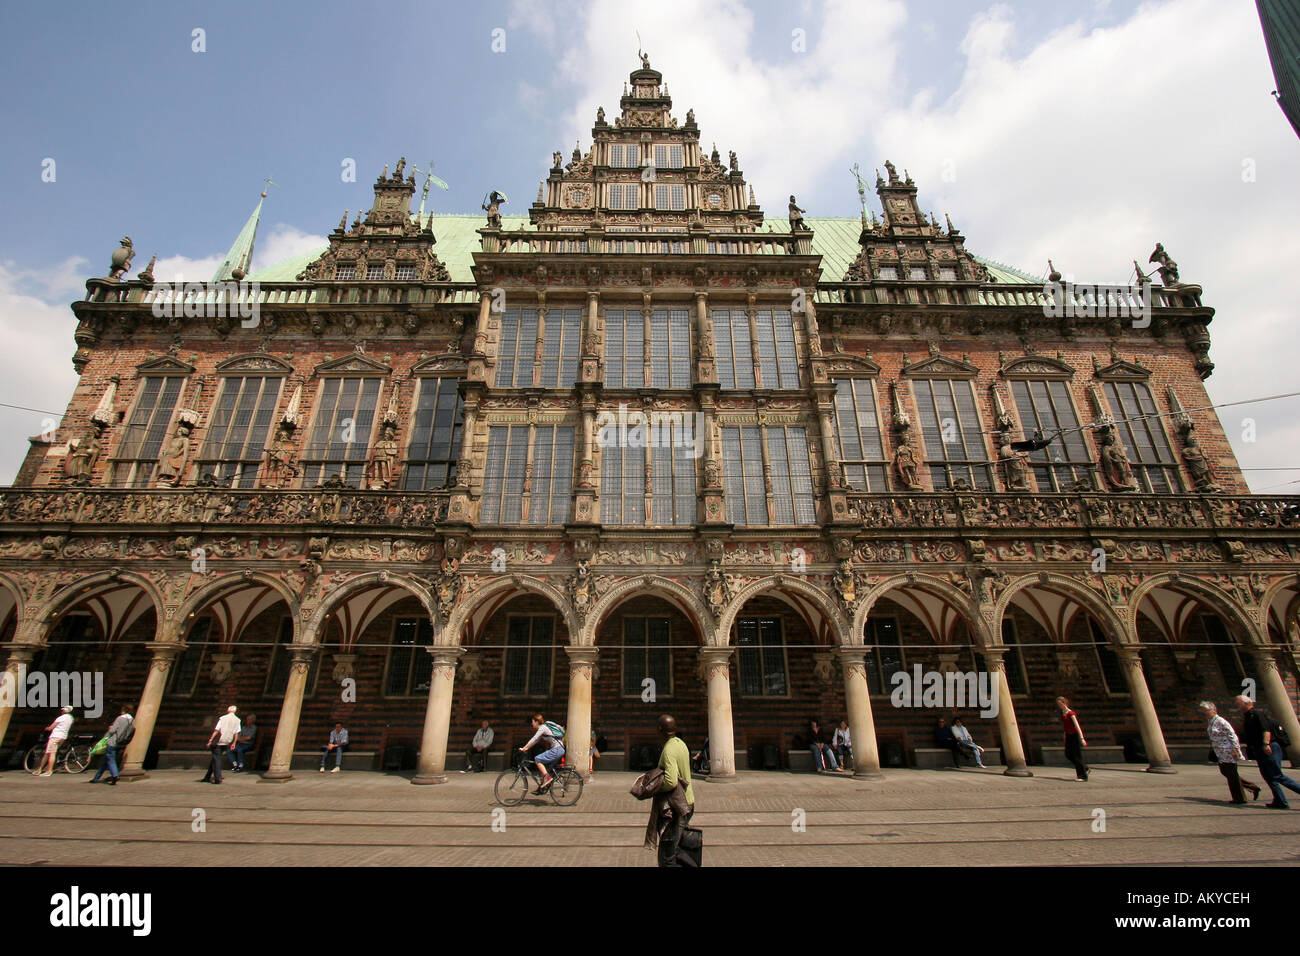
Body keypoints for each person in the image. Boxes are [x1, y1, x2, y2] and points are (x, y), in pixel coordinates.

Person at [647, 714, 695, 868]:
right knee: (674, 850)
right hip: (688, 802)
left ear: (660, 730)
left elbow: (671, 780)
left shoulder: (668, 750)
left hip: (676, 807)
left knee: (667, 856)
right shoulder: (681, 744)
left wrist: (655, 787)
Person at [1237, 695, 1300, 809]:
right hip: (1259, 748)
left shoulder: (1257, 714)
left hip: (1269, 747)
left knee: (1277, 775)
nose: (1237, 706)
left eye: (1238, 703)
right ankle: (1280, 801)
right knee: (1268, 776)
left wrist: (1266, 744)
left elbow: (1266, 729)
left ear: (1246, 703)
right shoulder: (1247, 716)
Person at [1199, 701, 1260, 804]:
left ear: (1214, 710)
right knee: (1226, 772)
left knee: (1231, 774)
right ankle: (1252, 787)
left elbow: (1232, 735)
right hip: (1220, 751)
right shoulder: (1211, 721)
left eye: (1207, 711)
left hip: (1228, 751)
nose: (1205, 713)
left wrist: (1236, 749)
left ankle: (1240, 798)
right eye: (1204, 711)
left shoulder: (1221, 721)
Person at [518, 714, 564, 793]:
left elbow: (534, 738)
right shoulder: (546, 725)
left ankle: (547, 778)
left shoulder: (542, 728)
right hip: (560, 749)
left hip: (557, 750)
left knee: (537, 759)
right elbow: (536, 741)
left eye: (532, 722)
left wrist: (524, 747)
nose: (532, 724)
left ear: (536, 722)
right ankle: (541, 788)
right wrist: (526, 748)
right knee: (545, 769)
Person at [90, 704, 133, 785]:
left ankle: (115, 775)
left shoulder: (120, 718)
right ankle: (96, 778)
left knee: (110, 759)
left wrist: (110, 728)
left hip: (113, 741)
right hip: (121, 742)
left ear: (123, 710)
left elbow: (112, 731)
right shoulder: (131, 720)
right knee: (106, 760)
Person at [202, 706, 240, 784]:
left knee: (217, 759)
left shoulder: (223, 718)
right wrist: (234, 743)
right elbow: (236, 733)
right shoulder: (237, 720)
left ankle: (218, 778)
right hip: (227, 741)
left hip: (218, 741)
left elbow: (217, 730)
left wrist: (210, 740)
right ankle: (207, 777)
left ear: (227, 710)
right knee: (215, 758)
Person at [1057, 696, 1088, 781]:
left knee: (1077, 755)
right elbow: (1065, 726)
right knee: (1068, 754)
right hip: (1068, 735)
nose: (1059, 706)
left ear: (1064, 703)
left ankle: (1082, 776)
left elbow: (1077, 726)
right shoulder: (1063, 714)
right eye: (1058, 704)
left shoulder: (1071, 713)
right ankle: (1084, 768)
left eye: (1060, 704)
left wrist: (1082, 738)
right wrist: (1064, 735)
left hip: (1075, 735)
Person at [38, 706, 74, 777]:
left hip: (55, 736)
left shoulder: (60, 718)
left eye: (62, 710)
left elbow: (51, 727)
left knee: (51, 753)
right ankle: (40, 769)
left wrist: (47, 728)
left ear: (64, 711)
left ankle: (49, 770)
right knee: (50, 752)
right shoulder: (70, 718)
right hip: (63, 737)